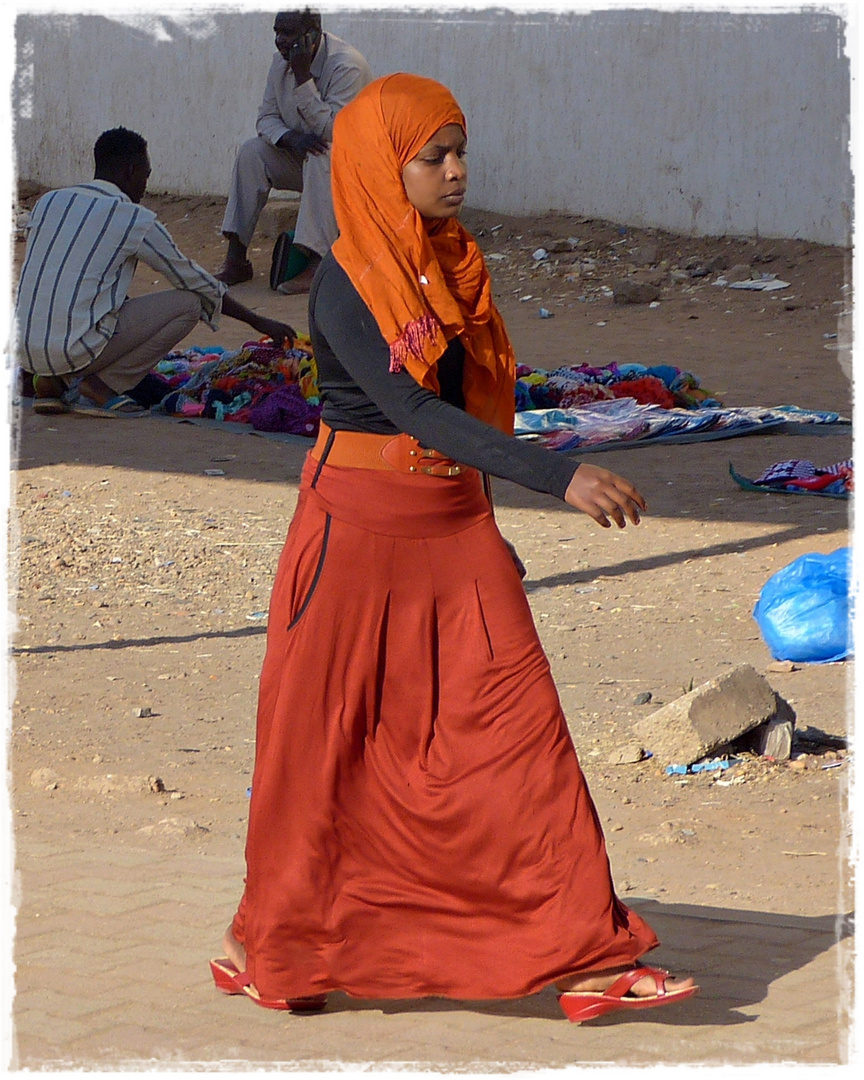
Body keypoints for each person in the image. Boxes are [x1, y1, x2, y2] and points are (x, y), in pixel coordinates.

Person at [210, 74, 697, 1024]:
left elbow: (467, 410)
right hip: (354, 531)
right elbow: (413, 410)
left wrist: (493, 520)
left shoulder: (450, 265)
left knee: (520, 735)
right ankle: (278, 945)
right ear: (381, 166)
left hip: (453, 526)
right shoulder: (350, 276)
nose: (456, 171)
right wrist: (559, 475)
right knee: (326, 756)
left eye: (460, 151)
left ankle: (587, 957)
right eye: (432, 156)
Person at [15, 127, 295, 418]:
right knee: (190, 303)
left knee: (107, 295)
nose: (144, 187)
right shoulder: (132, 217)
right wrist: (256, 320)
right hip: (75, 351)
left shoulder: (48, 202)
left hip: (26, 350)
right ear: (130, 171)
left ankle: (52, 379)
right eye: (145, 177)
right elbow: (194, 281)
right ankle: (101, 385)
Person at [215, 9, 372, 294]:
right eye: (277, 32)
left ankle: (318, 262)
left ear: (312, 34)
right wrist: (291, 138)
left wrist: (303, 79)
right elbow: (266, 118)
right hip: (306, 158)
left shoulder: (347, 66)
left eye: (288, 34)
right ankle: (236, 259)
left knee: (322, 151)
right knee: (252, 153)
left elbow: (337, 132)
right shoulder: (280, 63)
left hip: (353, 170)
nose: (280, 41)